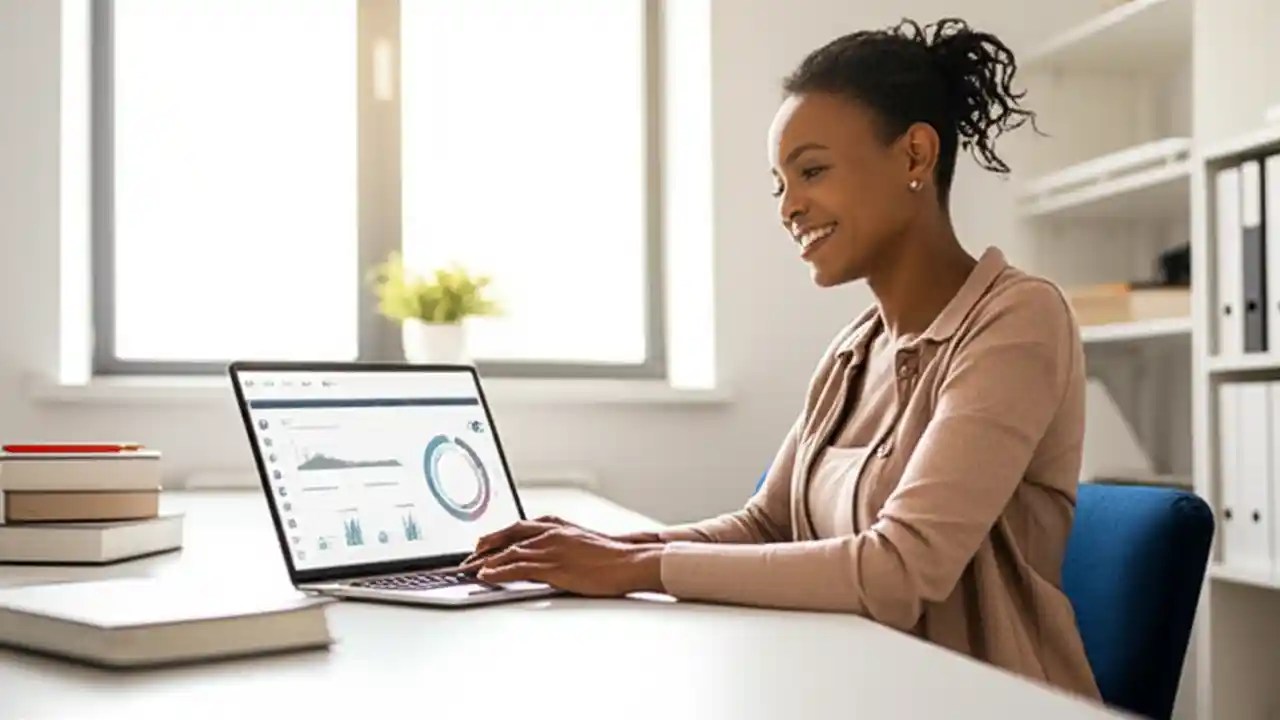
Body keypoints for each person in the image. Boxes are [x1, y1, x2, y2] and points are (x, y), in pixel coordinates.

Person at [463, 17, 1100, 701]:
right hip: (854, 688)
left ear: (916, 156)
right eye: (779, 184)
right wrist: (609, 549)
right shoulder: (854, 351)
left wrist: (639, 568)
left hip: (979, 703)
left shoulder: (1017, 321)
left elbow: (900, 571)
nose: (790, 207)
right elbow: (764, 525)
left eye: (813, 171)